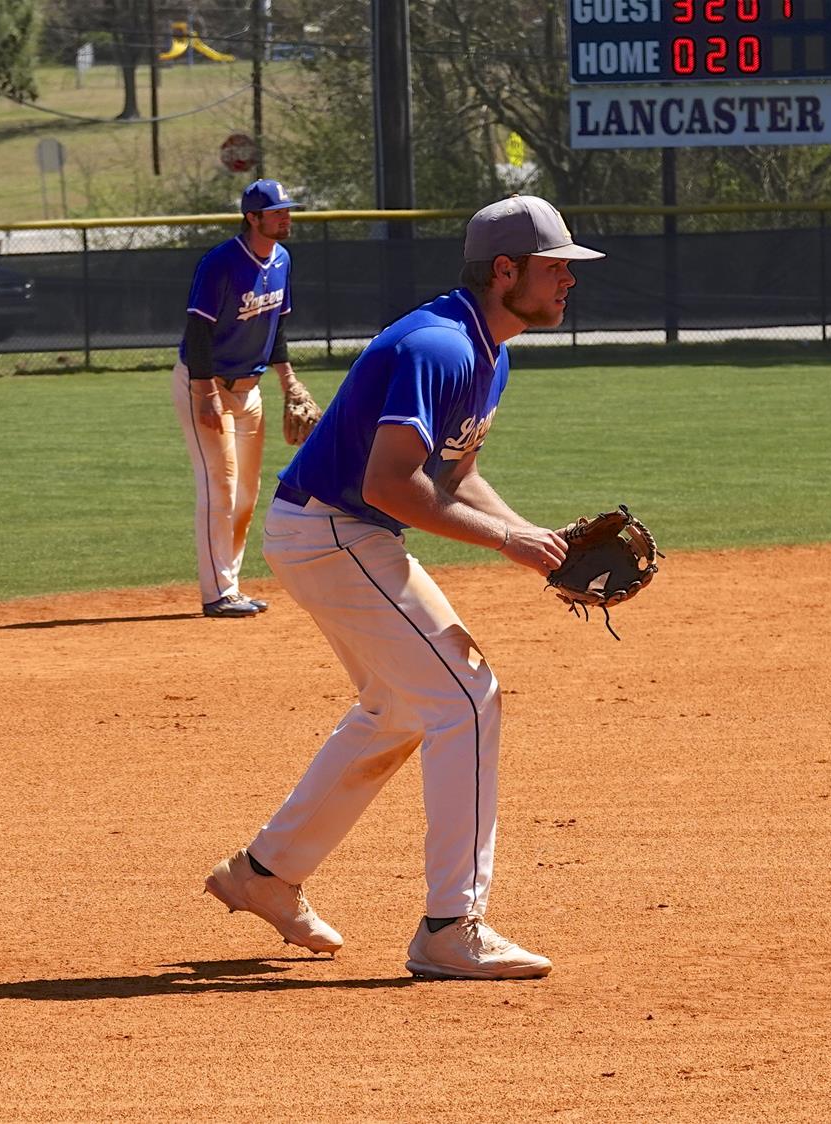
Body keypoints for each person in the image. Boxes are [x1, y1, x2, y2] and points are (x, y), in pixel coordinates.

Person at [202, 195, 605, 980]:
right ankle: (451, 925)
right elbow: (391, 485)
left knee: (400, 710)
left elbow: (456, 472)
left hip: (336, 532)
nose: (567, 282)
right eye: (555, 268)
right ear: (505, 270)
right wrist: (511, 544)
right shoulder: (438, 346)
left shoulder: (489, 346)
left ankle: (265, 874)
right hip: (333, 531)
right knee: (466, 698)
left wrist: (539, 543)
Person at [174, 178, 314, 618]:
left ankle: (230, 585)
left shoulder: (282, 259)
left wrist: (289, 382)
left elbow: (277, 328)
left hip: (249, 390)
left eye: (287, 210)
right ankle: (217, 593)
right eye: (277, 212)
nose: (285, 217)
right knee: (220, 486)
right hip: (207, 386)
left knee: (247, 494)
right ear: (253, 217)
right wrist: (204, 392)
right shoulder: (221, 262)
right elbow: (198, 330)